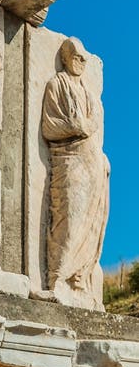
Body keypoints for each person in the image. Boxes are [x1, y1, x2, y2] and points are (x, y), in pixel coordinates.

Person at [42, 37, 110, 309]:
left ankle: (79, 279)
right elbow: (49, 127)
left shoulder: (91, 95)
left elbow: (94, 127)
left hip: (93, 164)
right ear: (65, 58)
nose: (80, 62)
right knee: (68, 219)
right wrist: (75, 126)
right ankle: (56, 278)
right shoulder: (55, 84)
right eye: (76, 57)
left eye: (83, 58)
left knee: (92, 225)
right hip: (67, 160)